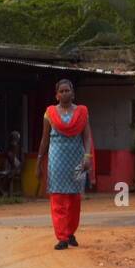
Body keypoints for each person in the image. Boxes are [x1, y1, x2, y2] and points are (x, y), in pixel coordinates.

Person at [37, 79, 95, 250]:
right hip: (57, 158)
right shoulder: (50, 114)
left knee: (74, 198)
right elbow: (44, 138)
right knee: (58, 197)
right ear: (56, 95)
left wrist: (87, 157)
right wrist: (39, 160)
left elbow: (87, 136)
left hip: (77, 158)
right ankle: (61, 237)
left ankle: (70, 233)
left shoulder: (82, 113)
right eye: (61, 91)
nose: (64, 94)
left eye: (67, 90)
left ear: (73, 93)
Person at [0, 131, 22, 196]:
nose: (14, 141)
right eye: (13, 138)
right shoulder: (9, 149)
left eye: (15, 138)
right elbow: (7, 160)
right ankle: (2, 191)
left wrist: (15, 170)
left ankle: (4, 191)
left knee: (8, 175)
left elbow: (20, 163)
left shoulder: (19, 149)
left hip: (16, 169)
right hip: (9, 168)